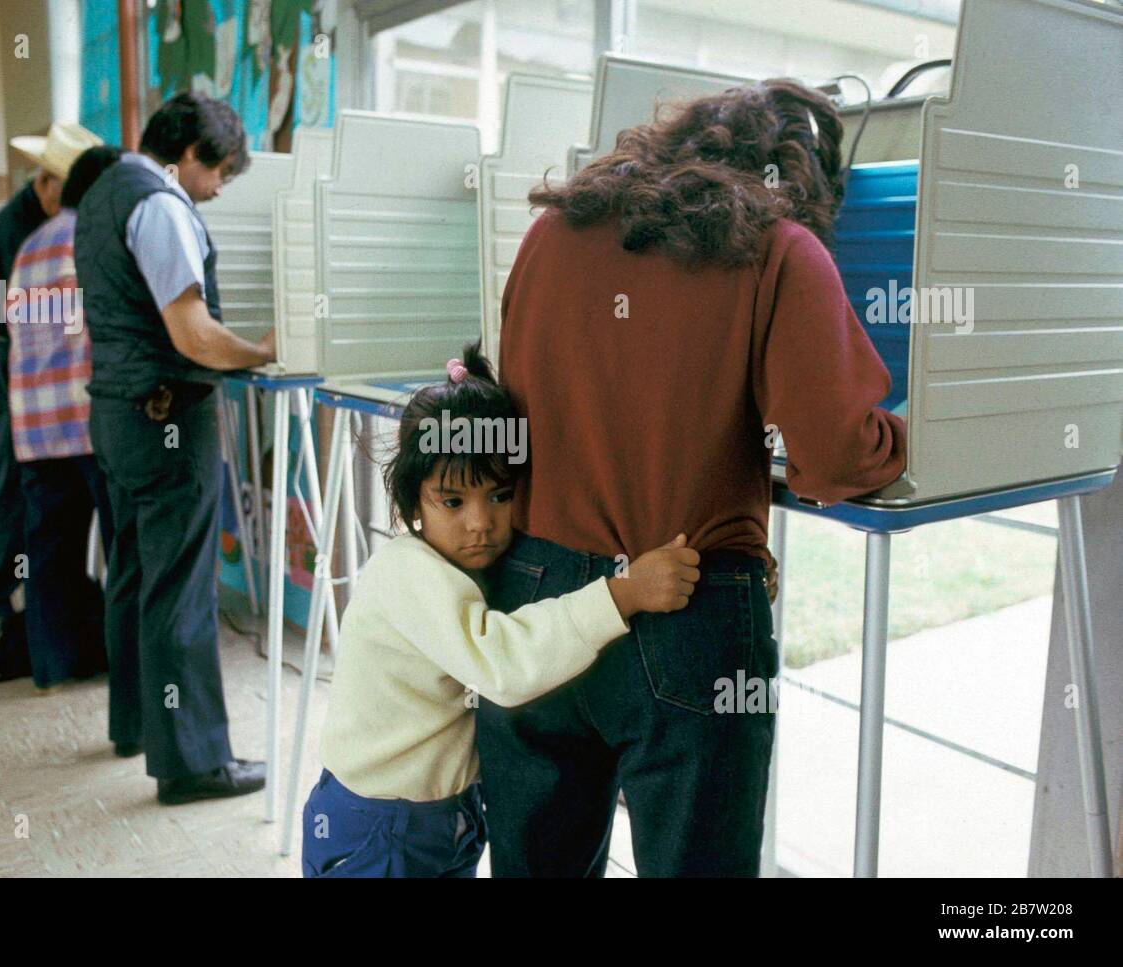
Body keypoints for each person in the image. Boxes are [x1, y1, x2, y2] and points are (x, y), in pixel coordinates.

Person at [476, 79, 908, 877]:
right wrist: (907, 434)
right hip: (687, 612)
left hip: (533, 598)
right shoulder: (778, 250)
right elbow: (839, 455)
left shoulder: (553, 232)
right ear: (796, 178)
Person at [301, 346, 701, 877]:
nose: (479, 523)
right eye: (452, 502)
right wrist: (624, 593)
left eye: (500, 495)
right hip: (383, 824)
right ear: (410, 503)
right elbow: (504, 664)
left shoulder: (472, 565)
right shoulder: (408, 573)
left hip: (441, 816)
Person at [75, 93, 276, 803]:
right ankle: (191, 762)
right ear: (186, 155)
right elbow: (192, 333)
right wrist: (256, 352)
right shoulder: (160, 205)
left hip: (115, 416)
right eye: (217, 171)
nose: (219, 187)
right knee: (180, 591)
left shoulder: (102, 192)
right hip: (165, 417)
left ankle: (135, 723)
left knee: (132, 575)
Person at [0, 122, 103, 646]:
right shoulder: (18, 230)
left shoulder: (28, 220)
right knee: (8, 489)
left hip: (10, 359)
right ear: (46, 183)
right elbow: (10, 315)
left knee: (20, 489)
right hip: (4, 363)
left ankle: (6, 599)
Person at [0, 145, 125, 691]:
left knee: (47, 555)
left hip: (36, 427)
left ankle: (51, 667)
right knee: (121, 552)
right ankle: (122, 663)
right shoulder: (91, 238)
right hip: (88, 420)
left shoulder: (28, 248)